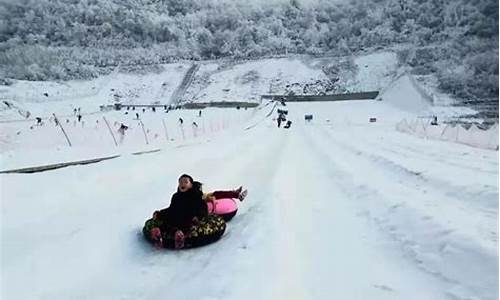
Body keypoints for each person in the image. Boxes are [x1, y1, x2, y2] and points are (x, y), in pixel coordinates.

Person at [151, 174, 208, 249]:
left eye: (185, 182)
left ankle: (180, 237)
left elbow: (203, 209)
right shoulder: (176, 196)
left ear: (191, 185)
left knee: (186, 223)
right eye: (180, 182)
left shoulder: (196, 196)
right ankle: (158, 236)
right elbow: (171, 209)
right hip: (176, 216)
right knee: (166, 222)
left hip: (189, 217)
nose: (182, 184)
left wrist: (198, 217)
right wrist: (159, 214)